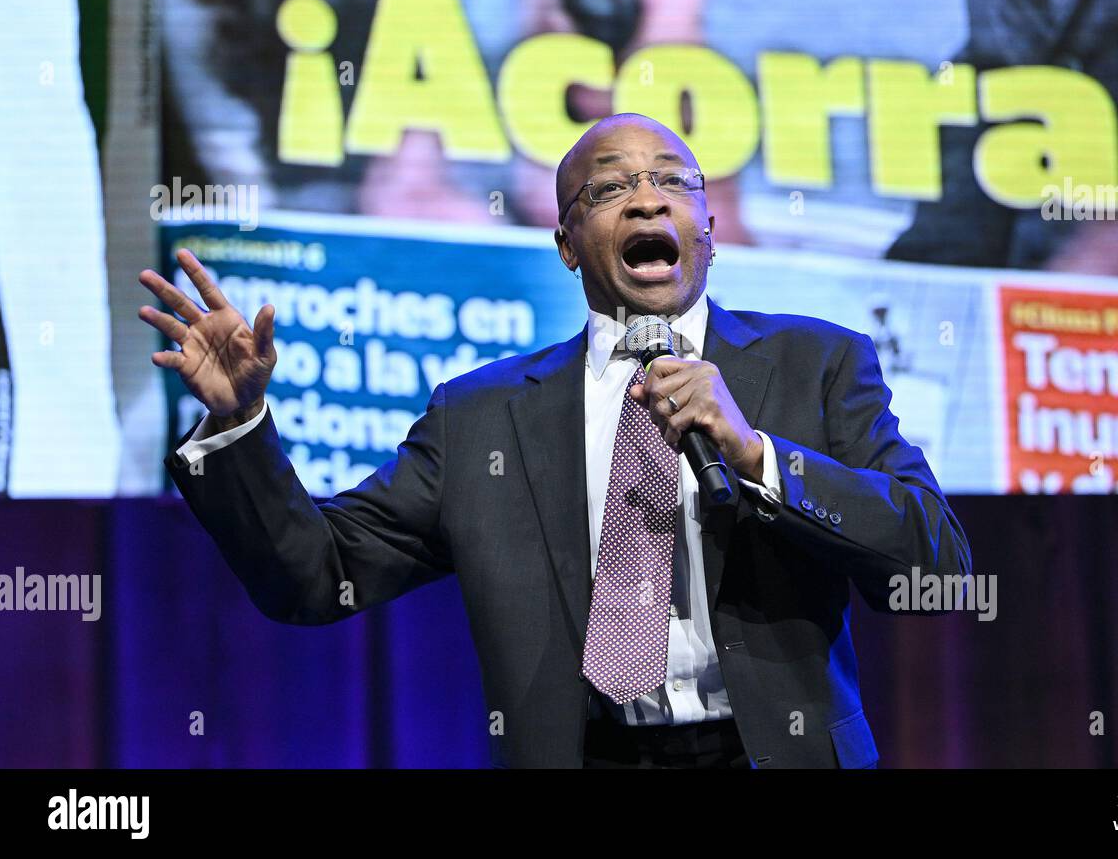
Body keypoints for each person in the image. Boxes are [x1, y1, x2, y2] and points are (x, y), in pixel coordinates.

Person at [138, 113, 971, 768]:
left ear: (709, 225)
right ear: (567, 244)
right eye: (610, 189)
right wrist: (240, 424)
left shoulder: (816, 363)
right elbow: (317, 576)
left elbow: (938, 569)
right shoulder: (480, 416)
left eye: (671, 181)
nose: (647, 200)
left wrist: (758, 456)